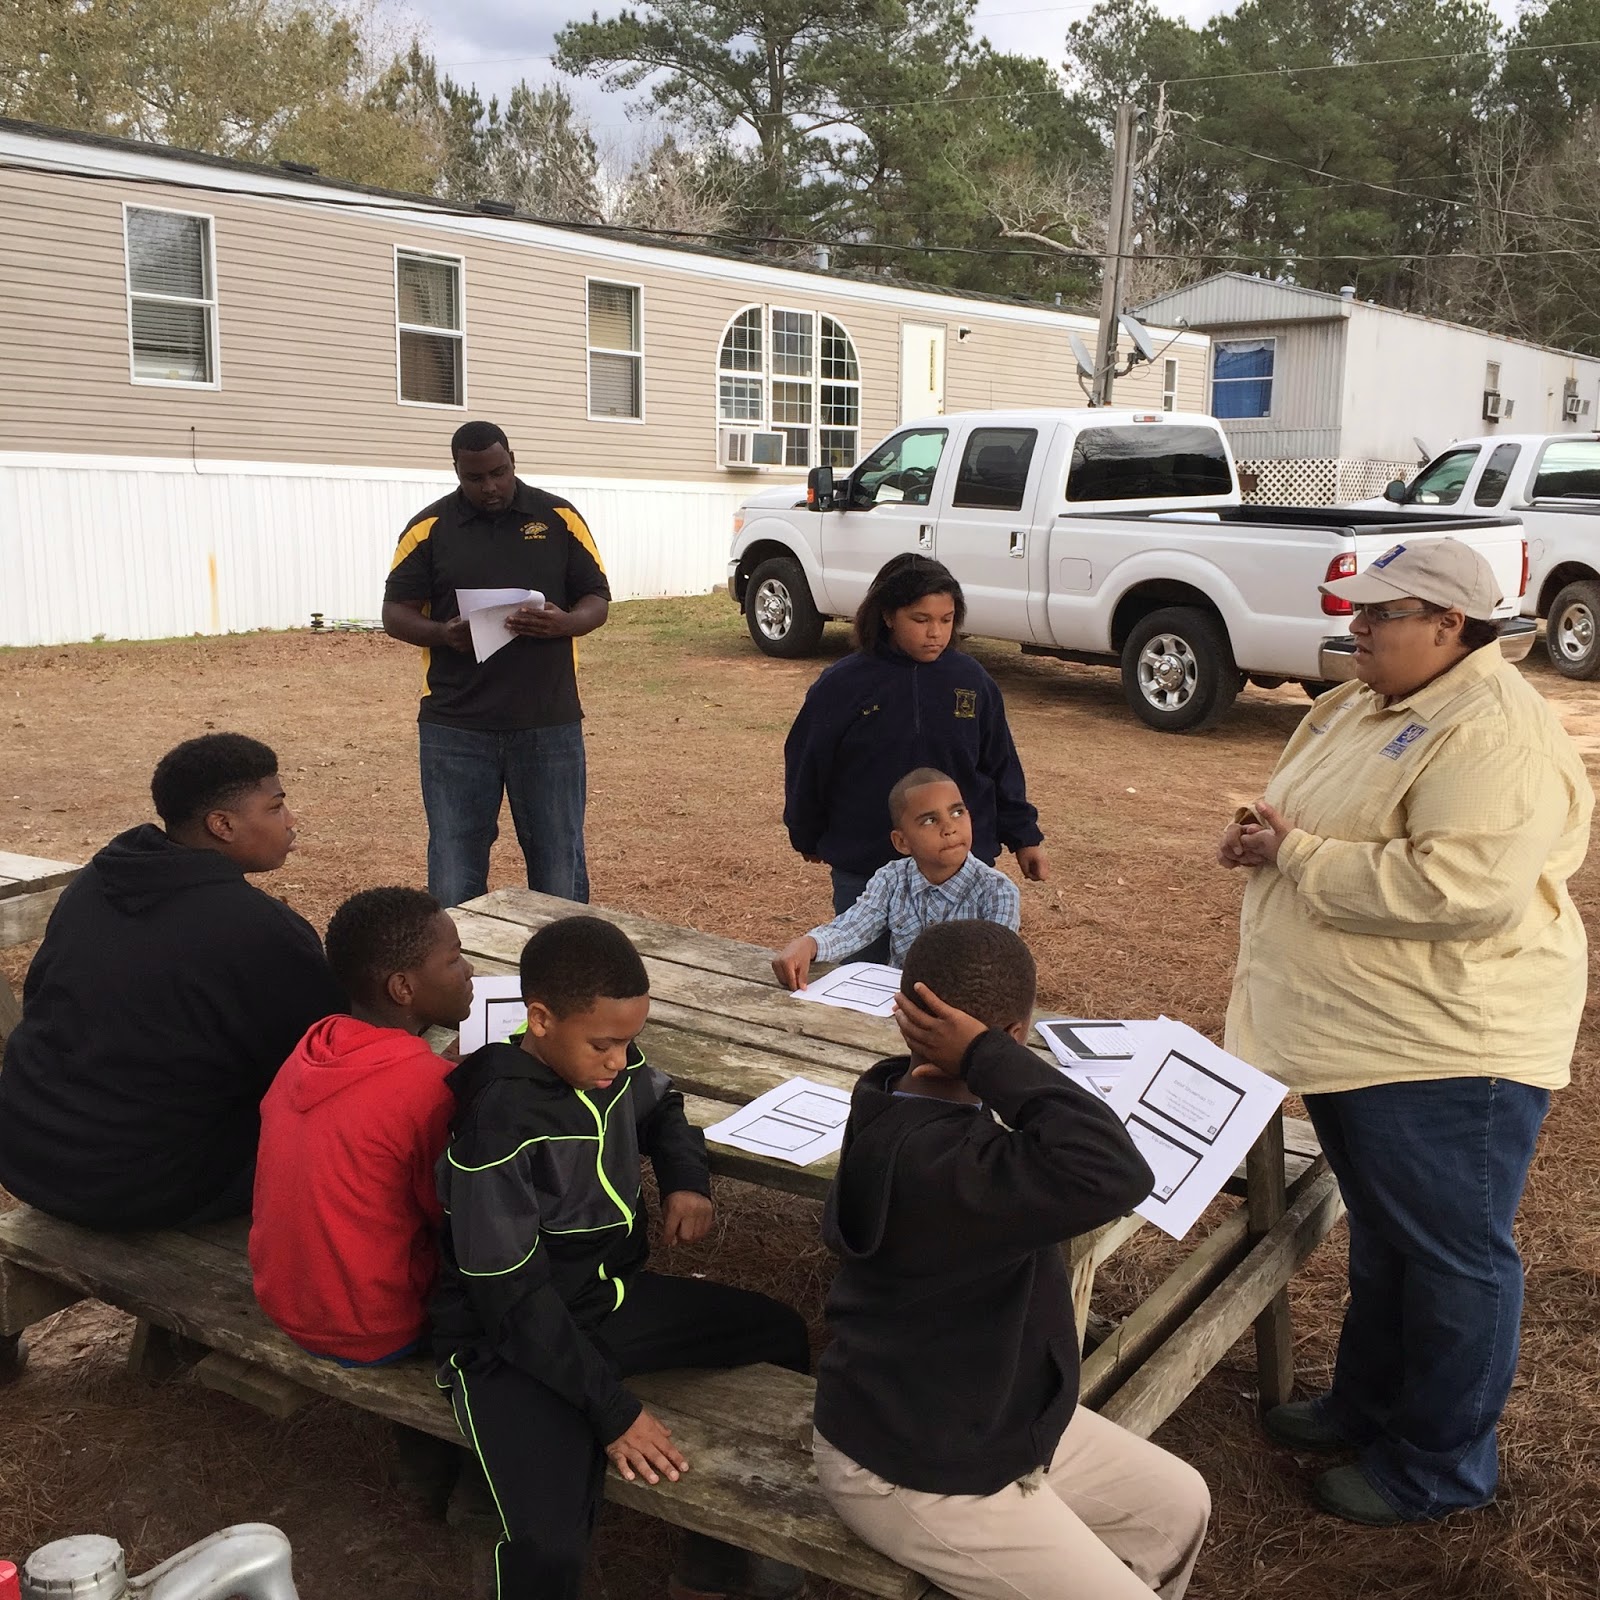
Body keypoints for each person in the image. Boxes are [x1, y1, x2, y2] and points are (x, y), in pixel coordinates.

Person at [1219, 537, 1592, 1527]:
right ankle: (1368, 1405)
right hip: (1362, 1033)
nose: (1360, 626)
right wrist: (1265, 832)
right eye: (1359, 610)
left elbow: (1455, 887)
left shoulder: (1490, 734)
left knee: (1452, 1258)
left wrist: (1295, 855)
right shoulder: (1364, 703)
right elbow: (1308, 811)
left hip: (1446, 1046)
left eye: (1383, 614)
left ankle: (1438, 1464)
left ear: (1450, 625)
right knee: (1390, 1240)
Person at [812, 920, 1210, 1600]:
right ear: (1013, 1038)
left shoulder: (891, 1095)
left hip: (994, 1412)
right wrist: (993, 1061)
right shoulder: (959, 1169)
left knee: (1178, 1507)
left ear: (905, 1016)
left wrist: (986, 1064)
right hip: (913, 1467)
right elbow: (1116, 1171)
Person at [431, 915, 810, 1600]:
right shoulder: (498, 1129)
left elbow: (663, 1104)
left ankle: (718, 1558)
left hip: (607, 1302)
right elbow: (512, 1302)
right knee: (549, 1543)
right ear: (540, 1020)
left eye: (629, 1041)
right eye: (604, 1044)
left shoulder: (608, 1066)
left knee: (778, 1331)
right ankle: (493, 1475)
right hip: (510, 1341)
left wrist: (687, 1180)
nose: (619, 1060)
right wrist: (614, 1411)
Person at [0, 733, 344, 1231]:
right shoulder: (255, 928)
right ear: (222, 825)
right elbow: (322, 1058)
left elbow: (44, 1001)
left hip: (30, 1152)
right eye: (275, 808)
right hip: (138, 1187)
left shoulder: (96, 883)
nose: (291, 822)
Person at [382, 421, 611, 909]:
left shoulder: (558, 518)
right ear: (457, 472)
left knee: (558, 870)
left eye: (499, 472)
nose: (490, 487)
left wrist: (566, 623)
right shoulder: (429, 530)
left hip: (547, 723)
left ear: (512, 458)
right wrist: (443, 634)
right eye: (475, 478)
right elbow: (394, 614)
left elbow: (598, 597)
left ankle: (565, 978)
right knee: (453, 869)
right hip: (456, 727)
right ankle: (456, 977)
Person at [783, 553, 1046, 964]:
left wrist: (1025, 836)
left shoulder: (972, 681)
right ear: (887, 615)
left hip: (957, 868)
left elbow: (1000, 764)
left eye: (946, 619)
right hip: (865, 864)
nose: (935, 633)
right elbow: (808, 762)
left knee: (955, 980)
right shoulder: (842, 685)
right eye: (920, 620)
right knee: (864, 981)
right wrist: (806, 830)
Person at [250, 887, 474, 1366]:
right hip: (377, 1327)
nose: (469, 971)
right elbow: (457, 1212)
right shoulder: (429, 1090)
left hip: (288, 1301)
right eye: (454, 959)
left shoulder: (313, 1049)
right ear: (403, 989)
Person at [771, 767, 1020, 986]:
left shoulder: (998, 893)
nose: (949, 828)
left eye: (957, 812)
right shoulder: (892, 879)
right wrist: (809, 944)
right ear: (901, 842)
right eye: (930, 820)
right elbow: (853, 928)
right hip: (893, 1007)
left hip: (963, 1017)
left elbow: (993, 972)